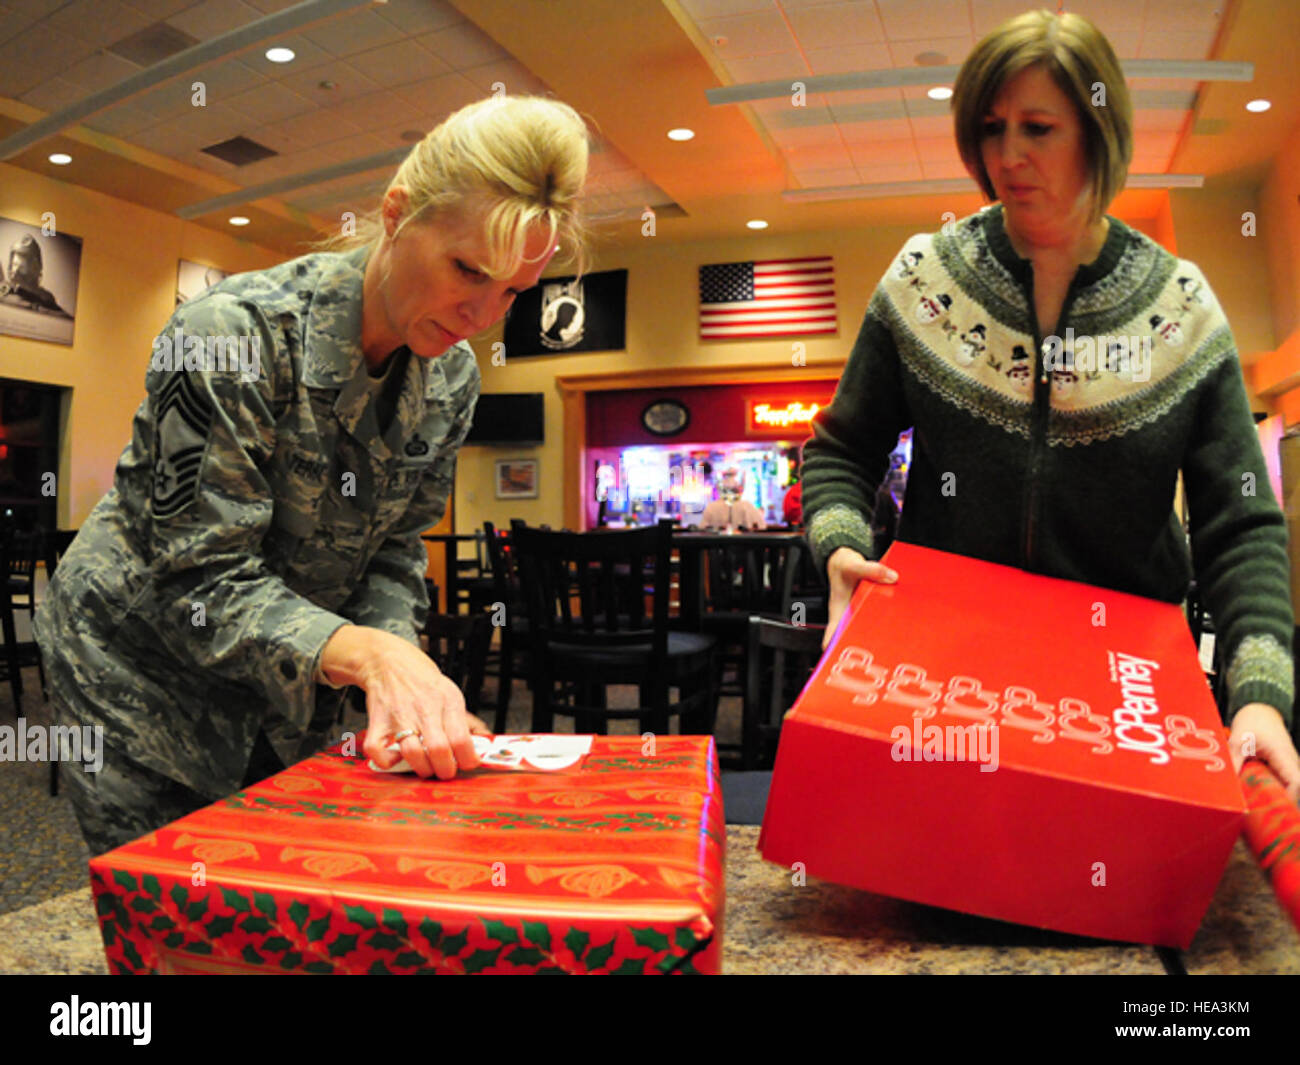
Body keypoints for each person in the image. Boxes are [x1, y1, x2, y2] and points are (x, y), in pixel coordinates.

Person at [36, 95, 590, 854]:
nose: (482, 313)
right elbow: (198, 580)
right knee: (176, 910)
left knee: (283, 894)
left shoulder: (453, 377)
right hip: (138, 665)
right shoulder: (229, 334)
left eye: (514, 292)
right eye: (468, 269)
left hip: (288, 675)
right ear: (397, 214)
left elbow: (395, 548)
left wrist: (399, 672)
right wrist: (372, 656)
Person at [800, 9, 1300, 799]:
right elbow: (840, 448)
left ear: (1098, 134)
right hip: (947, 679)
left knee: (1113, 909)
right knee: (941, 893)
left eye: (1038, 128)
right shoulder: (926, 277)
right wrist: (838, 548)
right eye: (991, 129)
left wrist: (1261, 697)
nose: (1007, 157)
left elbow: (1240, 523)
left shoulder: (1183, 309)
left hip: (1124, 694)